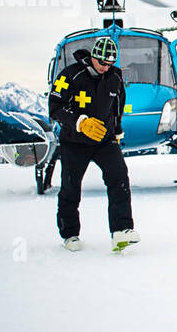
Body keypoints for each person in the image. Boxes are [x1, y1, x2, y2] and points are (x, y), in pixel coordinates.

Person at [47, 36, 140, 252]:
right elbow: (55, 107)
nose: (105, 68)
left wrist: (116, 130)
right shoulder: (70, 75)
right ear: (93, 57)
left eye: (110, 64)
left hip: (104, 140)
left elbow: (117, 104)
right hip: (74, 141)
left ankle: (122, 230)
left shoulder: (114, 76)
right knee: (71, 187)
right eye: (102, 63)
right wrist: (80, 122)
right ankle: (70, 234)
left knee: (119, 178)